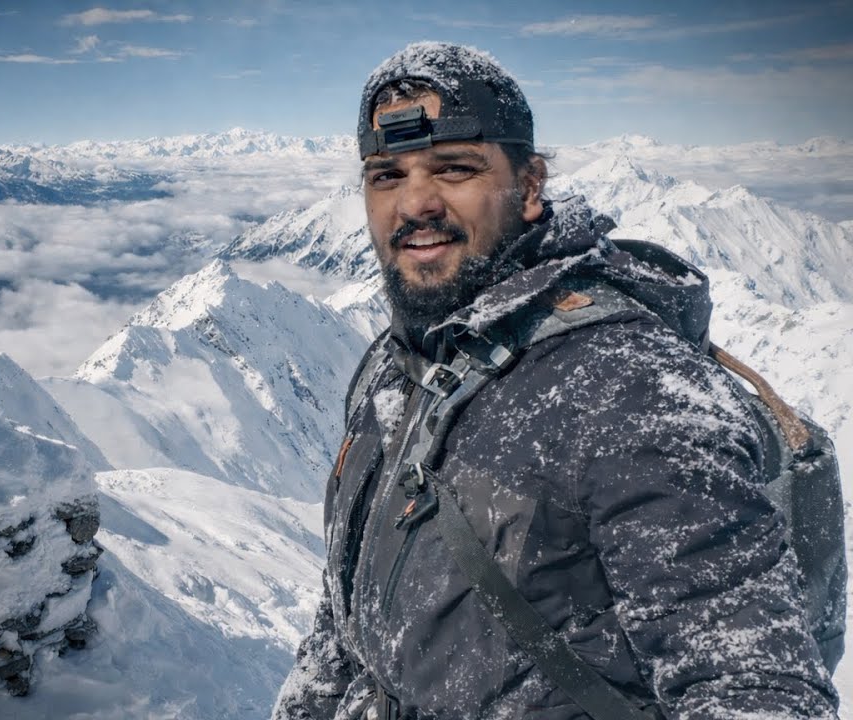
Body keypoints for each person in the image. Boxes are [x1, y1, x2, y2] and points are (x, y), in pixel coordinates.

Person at [272, 41, 842, 720]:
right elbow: (346, 624)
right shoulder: (394, 371)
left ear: (530, 186)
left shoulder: (628, 387)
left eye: (454, 169)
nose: (415, 202)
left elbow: (755, 689)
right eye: (386, 176)